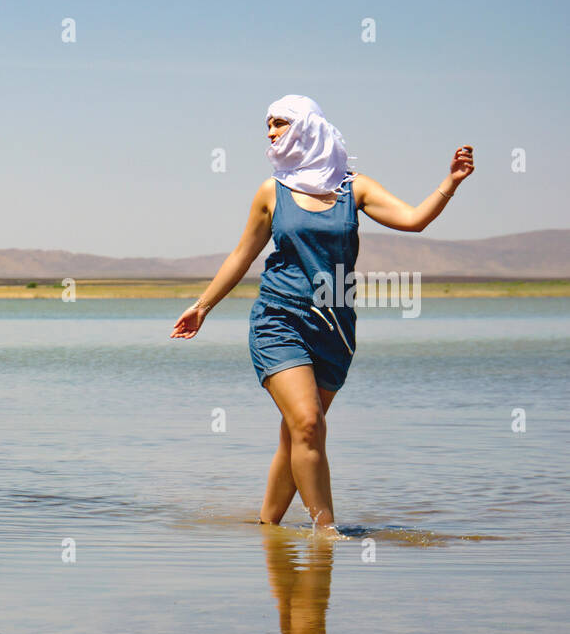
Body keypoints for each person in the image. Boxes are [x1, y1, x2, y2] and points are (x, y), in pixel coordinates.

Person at [170, 95, 474, 532]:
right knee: (309, 425)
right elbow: (242, 255)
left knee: (296, 434)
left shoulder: (356, 188)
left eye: (278, 123)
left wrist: (452, 182)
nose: (270, 133)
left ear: (308, 126)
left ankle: (268, 530)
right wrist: (203, 306)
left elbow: (413, 220)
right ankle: (326, 532)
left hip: (335, 328)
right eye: (267, 125)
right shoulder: (270, 192)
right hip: (279, 320)